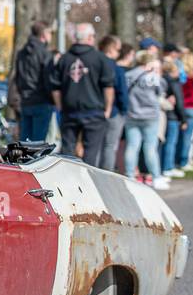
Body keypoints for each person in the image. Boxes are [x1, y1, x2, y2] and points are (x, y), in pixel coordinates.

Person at [51, 23, 114, 165]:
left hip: (69, 111)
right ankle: (87, 182)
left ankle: (66, 180)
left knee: (68, 150)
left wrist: (60, 106)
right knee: (91, 151)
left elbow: (55, 87)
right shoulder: (100, 59)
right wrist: (108, 109)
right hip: (93, 111)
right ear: (90, 38)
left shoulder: (64, 59)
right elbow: (108, 86)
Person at [124, 51, 170, 190]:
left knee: (132, 146)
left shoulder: (129, 75)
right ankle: (156, 177)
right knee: (150, 147)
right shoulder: (153, 76)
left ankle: (130, 176)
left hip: (132, 114)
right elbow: (162, 89)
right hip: (151, 116)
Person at [13, 20, 55, 142]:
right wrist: (52, 99)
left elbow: (18, 77)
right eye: (50, 33)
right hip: (42, 101)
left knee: (24, 142)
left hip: (26, 101)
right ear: (44, 34)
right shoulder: (44, 53)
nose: (51, 36)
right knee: (38, 143)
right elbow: (49, 79)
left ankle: (23, 162)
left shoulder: (22, 53)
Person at [98, 36, 129, 173]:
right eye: (118, 49)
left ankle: (95, 171)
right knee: (110, 145)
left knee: (97, 145)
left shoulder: (94, 64)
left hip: (96, 110)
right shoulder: (115, 68)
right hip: (114, 111)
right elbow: (122, 92)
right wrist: (124, 110)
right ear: (111, 48)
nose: (119, 53)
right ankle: (107, 173)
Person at [160, 44, 188, 177]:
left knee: (166, 143)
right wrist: (183, 119)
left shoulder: (163, 80)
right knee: (171, 143)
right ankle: (167, 167)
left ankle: (165, 166)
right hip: (173, 116)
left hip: (166, 115)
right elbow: (179, 102)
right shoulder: (174, 82)